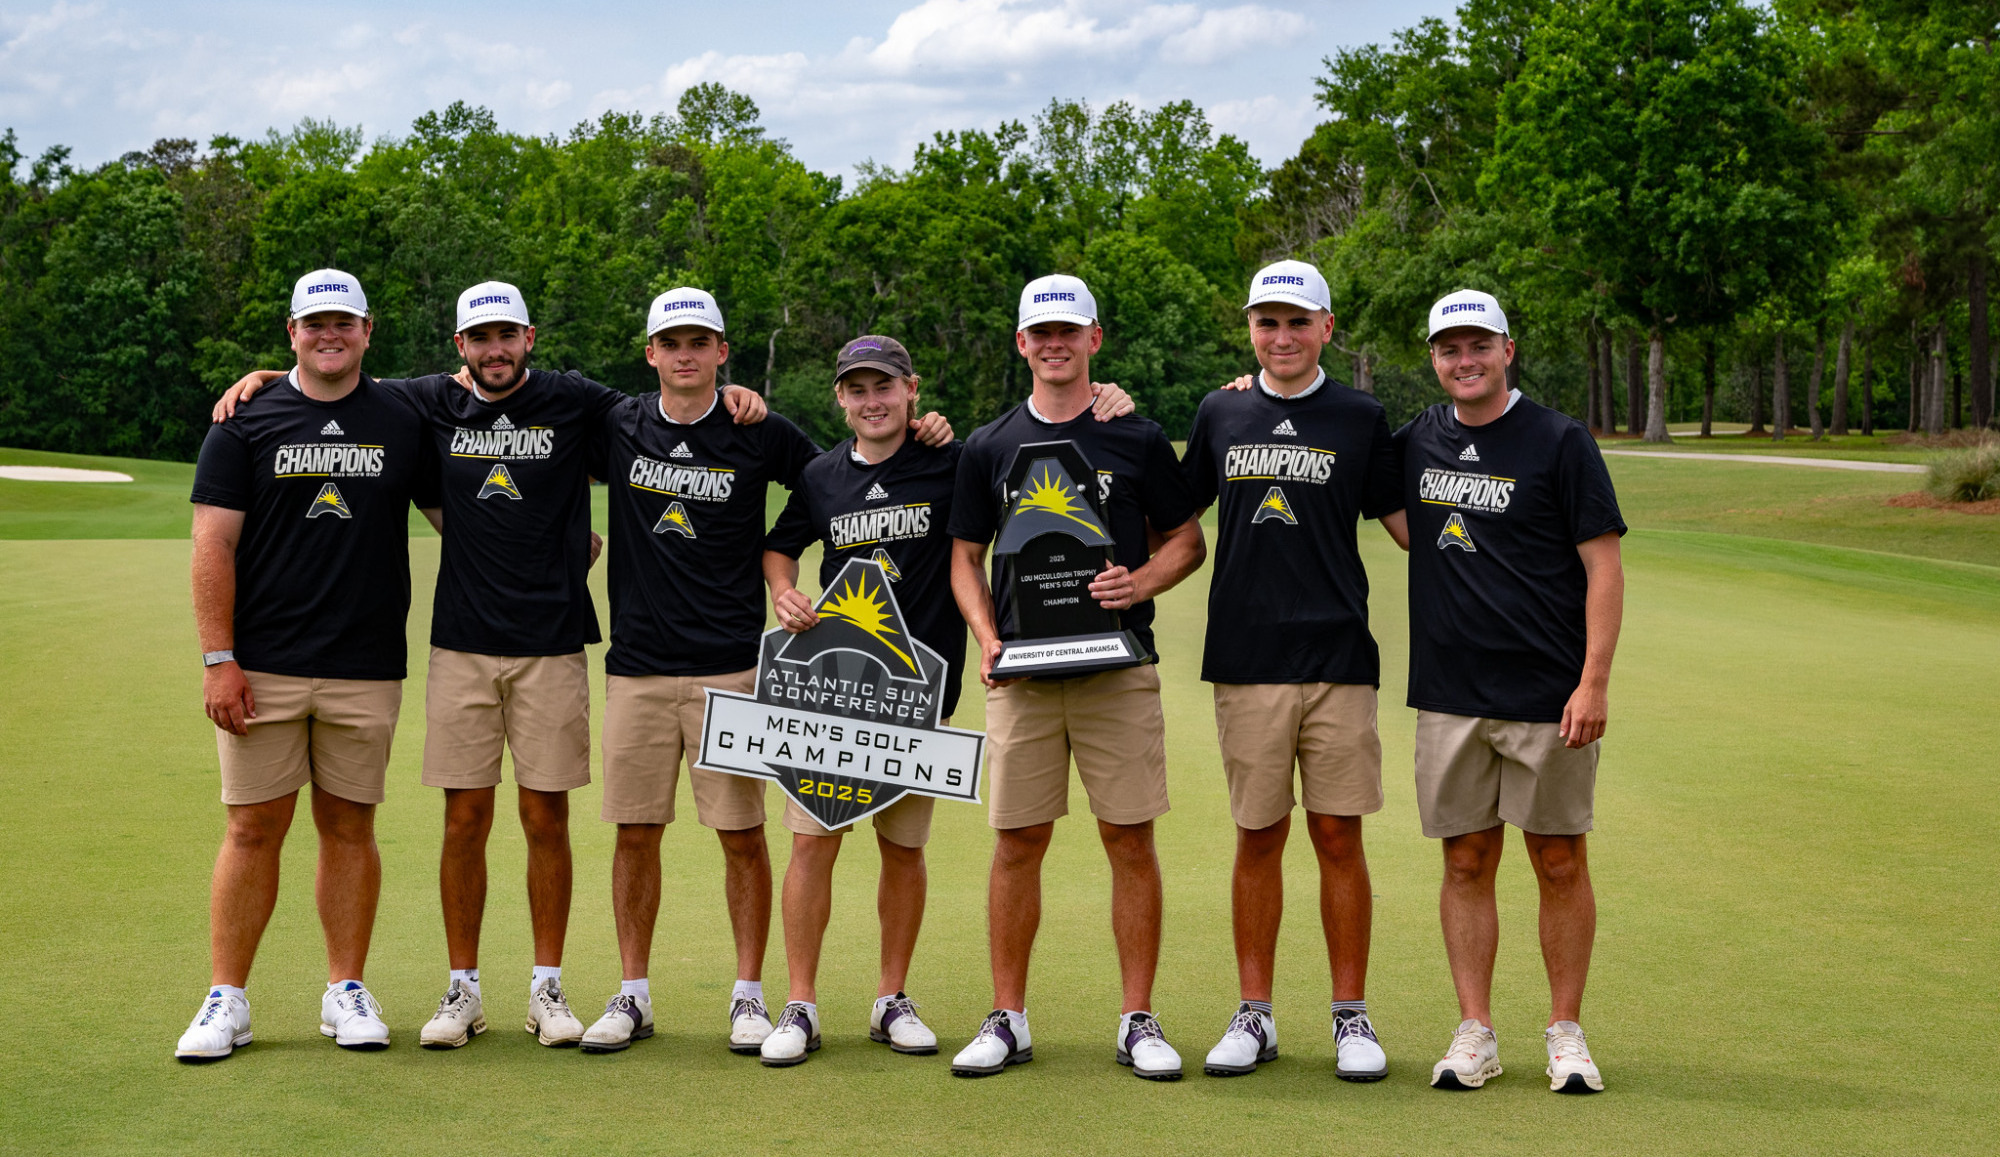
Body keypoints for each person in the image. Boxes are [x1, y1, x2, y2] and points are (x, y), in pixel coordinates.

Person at [211, 283, 769, 1051]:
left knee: (547, 817)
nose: (494, 348)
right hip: (459, 645)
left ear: (530, 337)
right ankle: (463, 987)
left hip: (553, 644)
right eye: (480, 336)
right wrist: (268, 378)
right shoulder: (427, 402)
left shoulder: (577, 401)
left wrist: (731, 394)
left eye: (507, 334)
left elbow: (673, 404)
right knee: (464, 817)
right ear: (460, 343)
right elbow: (336, 381)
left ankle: (547, 985)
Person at [755, 336, 1136, 1066]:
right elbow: (781, 545)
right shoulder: (820, 475)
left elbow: (1014, 477)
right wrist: (784, 590)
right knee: (812, 844)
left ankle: (890, 997)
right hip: (831, 689)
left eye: (885, 387)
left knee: (904, 850)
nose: (872, 401)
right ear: (840, 398)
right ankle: (799, 1002)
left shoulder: (950, 460)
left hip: (917, 692)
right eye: (857, 389)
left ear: (911, 390)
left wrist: (1108, 397)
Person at [946, 275, 1206, 1080]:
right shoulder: (987, 445)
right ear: (1021, 344)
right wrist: (987, 636)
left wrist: (1143, 582)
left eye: (1070, 330)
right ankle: (1008, 1017)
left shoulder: (1136, 435)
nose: (1054, 343)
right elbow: (964, 558)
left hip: (1117, 670)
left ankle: (1137, 1018)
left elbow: (1187, 539)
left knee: (1129, 838)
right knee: (1017, 841)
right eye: (1040, 332)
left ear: (1096, 337)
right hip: (1019, 676)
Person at [178, 270, 437, 1059]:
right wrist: (219, 658)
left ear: (367, 330)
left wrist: (561, 549)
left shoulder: (403, 413)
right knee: (253, 827)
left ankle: (343, 990)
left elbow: (457, 507)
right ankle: (227, 998)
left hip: (366, 664)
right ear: (292, 331)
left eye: (345, 323)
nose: (331, 335)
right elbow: (212, 544)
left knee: (349, 826)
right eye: (315, 323)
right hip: (264, 664)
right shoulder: (246, 419)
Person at [570, 288, 823, 1055]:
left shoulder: (757, 427)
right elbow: (511, 418)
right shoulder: (618, 421)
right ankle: (633, 992)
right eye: (670, 342)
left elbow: (832, 480)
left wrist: (783, 567)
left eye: (699, 341)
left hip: (734, 669)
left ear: (721, 351)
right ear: (651, 354)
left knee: (742, 835)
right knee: (635, 832)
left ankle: (749, 996)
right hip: (637, 669)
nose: (684, 353)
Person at [1393, 289, 1624, 1094]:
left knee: (1559, 858)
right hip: (1450, 693)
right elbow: (1348, 465)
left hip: (1547, 691)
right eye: (1450, 348)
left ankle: (1565, 1030)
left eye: (1479, 345)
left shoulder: (1560, 440)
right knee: (1465, 858)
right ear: (1434, 358)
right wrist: (1252, 387)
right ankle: (1476, 1031)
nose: (1465, 360)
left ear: (1507, 349)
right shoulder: (1417, 437)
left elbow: (1603, 564)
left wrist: (1593, 679)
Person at [1183, 260, 1405, 1081]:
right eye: (1266, 322)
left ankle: (1351, 1016)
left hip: (1340, 655)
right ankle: (1256, 1014)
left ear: (1327, 328)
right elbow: (1170, 513)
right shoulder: (1220, 409)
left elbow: (1411, 524)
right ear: (1250, 328)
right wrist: (1111, 408)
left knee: (1339, 835)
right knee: (1257, 835)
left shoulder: (1361, 415)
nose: (1281, 337)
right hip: (1247, 658)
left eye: (1296, 322)